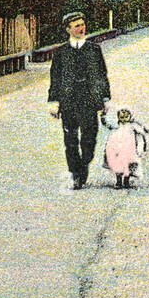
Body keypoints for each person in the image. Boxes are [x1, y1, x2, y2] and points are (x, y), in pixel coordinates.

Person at [48, 11, 111, 190]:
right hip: (68, 101)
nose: (81, 28)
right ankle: (76, 173)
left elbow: (102, 75)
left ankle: (84, 164)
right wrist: (54, 102)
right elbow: (55, 78)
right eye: (76, 26)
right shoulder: (61, 52)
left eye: (82, 25)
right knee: (70, 139)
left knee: (89, 139)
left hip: (89, 101)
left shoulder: (94, 50)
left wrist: (105, 99)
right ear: (68, 30)